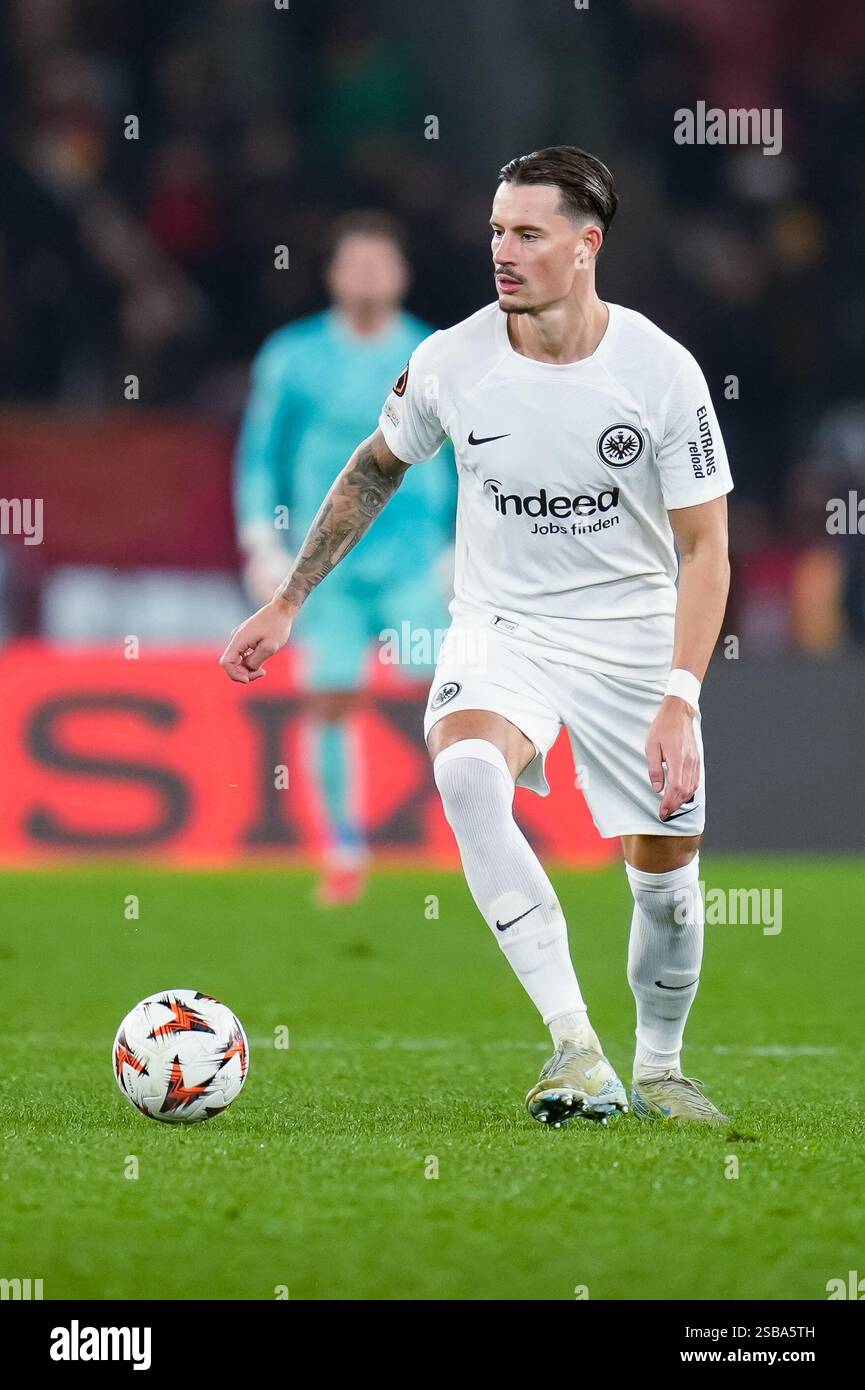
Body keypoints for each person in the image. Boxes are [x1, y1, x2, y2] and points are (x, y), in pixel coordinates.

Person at [221, 147, 733, 1126]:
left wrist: (681, 693)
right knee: (463, 772)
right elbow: (375, 467)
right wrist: (288, 598)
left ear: (586, 247)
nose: (501, 250)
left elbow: (705, 547)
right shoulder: (452, 359)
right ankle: (574, 1047)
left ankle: (661, 1064)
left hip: (630, 633)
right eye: (496, 229)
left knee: (664, 880)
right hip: (502, 625)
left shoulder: (660, 372)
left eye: (527, 234)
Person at [234, 210, 454, 905]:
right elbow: (259, 454)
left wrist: (462, 547)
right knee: (330, 694)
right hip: (322, 564)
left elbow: (470, 459)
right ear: (332, 275)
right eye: (353, 263)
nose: (366, 275)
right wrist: (259, 539)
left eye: (378, 263)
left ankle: (469, 836)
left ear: (402, 275)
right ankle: (342, 850)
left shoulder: (435, 354)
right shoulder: (291, 356)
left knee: (449, 694)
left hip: (417, 559)